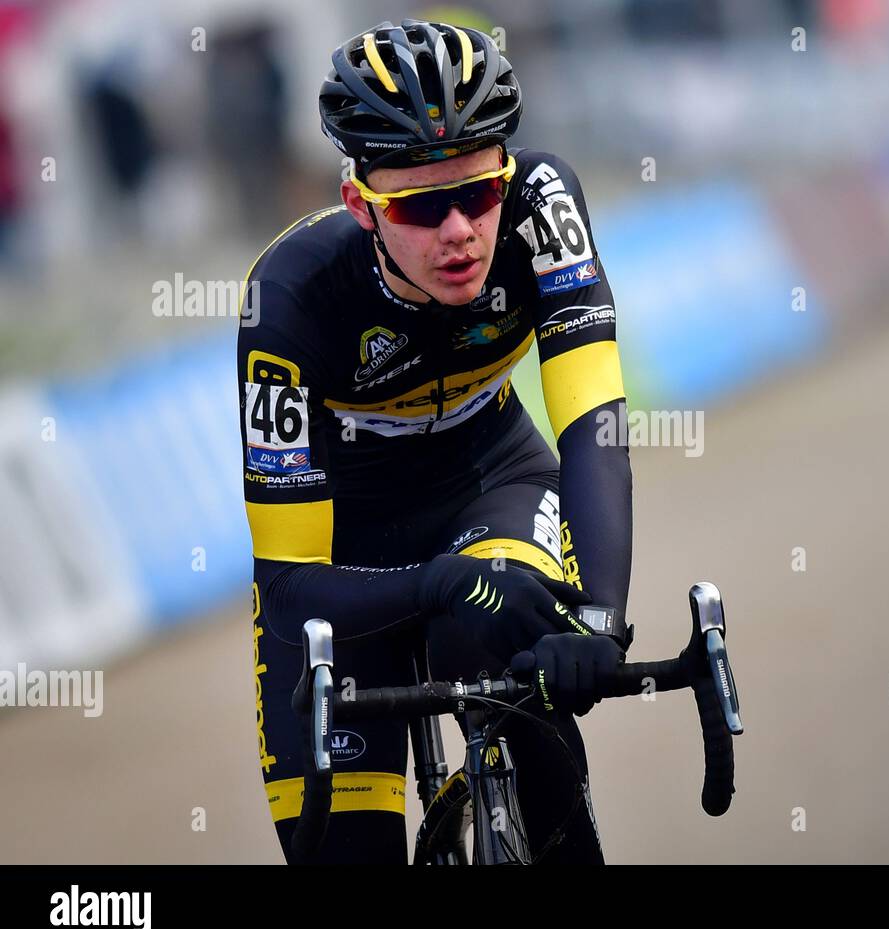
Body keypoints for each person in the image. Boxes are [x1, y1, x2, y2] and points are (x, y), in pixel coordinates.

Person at [238, 20, 631, 864]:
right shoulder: (290, 296)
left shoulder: (542, 205)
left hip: (491, 483)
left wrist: (598, 619)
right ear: (360, 206)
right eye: (420, 205)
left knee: (500, 625)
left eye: (479, 193)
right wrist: (433, 583)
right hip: (349, 552)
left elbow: (594, 422)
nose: (459, 230)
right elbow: (291, 581)